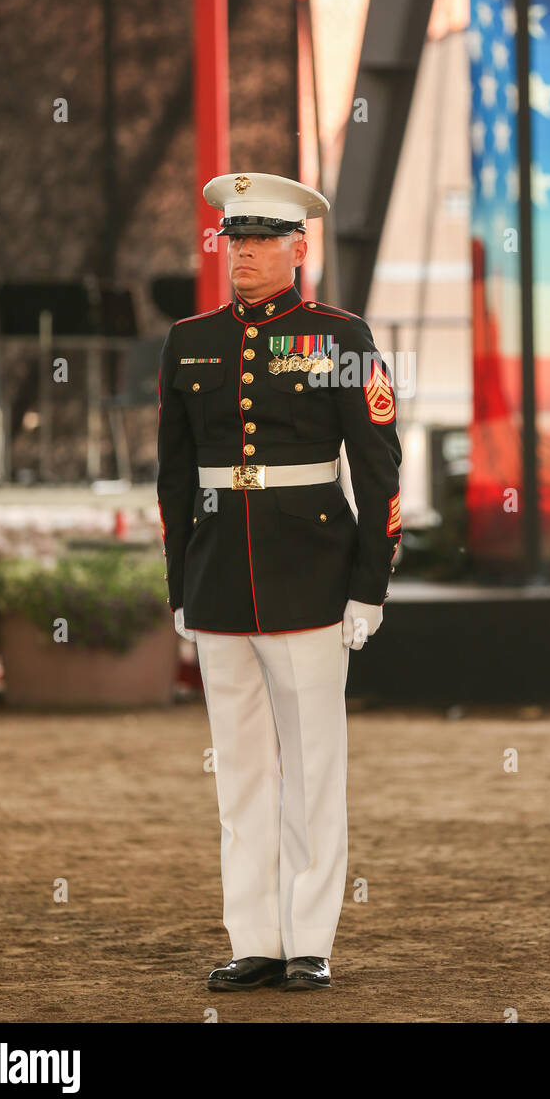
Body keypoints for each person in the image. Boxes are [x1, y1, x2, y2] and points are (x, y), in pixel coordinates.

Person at [156, 171, 402, 992]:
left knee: (314, 766)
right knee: (241, 772)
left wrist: (370, 585)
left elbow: (378, 467)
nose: (246, 255)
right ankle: (254, 938)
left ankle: (309, 941)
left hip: (311, 579)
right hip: (221, 578)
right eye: (237, 240)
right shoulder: (190, 340)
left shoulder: (338, 337)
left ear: (300, 247)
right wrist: (180, 583)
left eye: (263, 241)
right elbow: (174, 474)